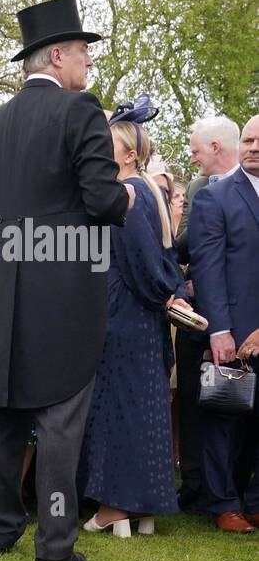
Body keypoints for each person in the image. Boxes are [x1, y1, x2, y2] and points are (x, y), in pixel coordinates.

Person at [0, 0, 132, 561]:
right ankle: (55, 544)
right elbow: (104, 201)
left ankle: (2, 527)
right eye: (84, 51)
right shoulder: (80, 111)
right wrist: (131, 196)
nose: (88, 63)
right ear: (57, 56)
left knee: (6, 412)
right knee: (59, 416)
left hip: (3, 290)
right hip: (63, 289)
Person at [80, 110, 190, 538]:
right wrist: (168, 293)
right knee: (145, 408)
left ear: (126, 152)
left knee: (117, 409)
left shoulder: (125, 192)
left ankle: (113, 508)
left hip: (123, 312)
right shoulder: (151, 191)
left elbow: (141, 261)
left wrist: (162, 292)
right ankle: (143, 509)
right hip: (144, 317)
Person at [189, 113, 259, 533]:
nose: (253, 147)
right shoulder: (214, 198)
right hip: (231, 329)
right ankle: (223, 504)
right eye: (249, 140)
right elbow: (207, 267)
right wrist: (220, 330)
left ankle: (255, 501)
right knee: (223, 417)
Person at [173, 115, 241, 512]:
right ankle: (195, 486)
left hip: (236, 315)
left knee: (232, 402)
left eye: (196, 149)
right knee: (192, 399)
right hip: (195, 314)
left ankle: (230, 488)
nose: (192, 156)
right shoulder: (199, 189)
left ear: (215, 147)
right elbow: (183, 245)